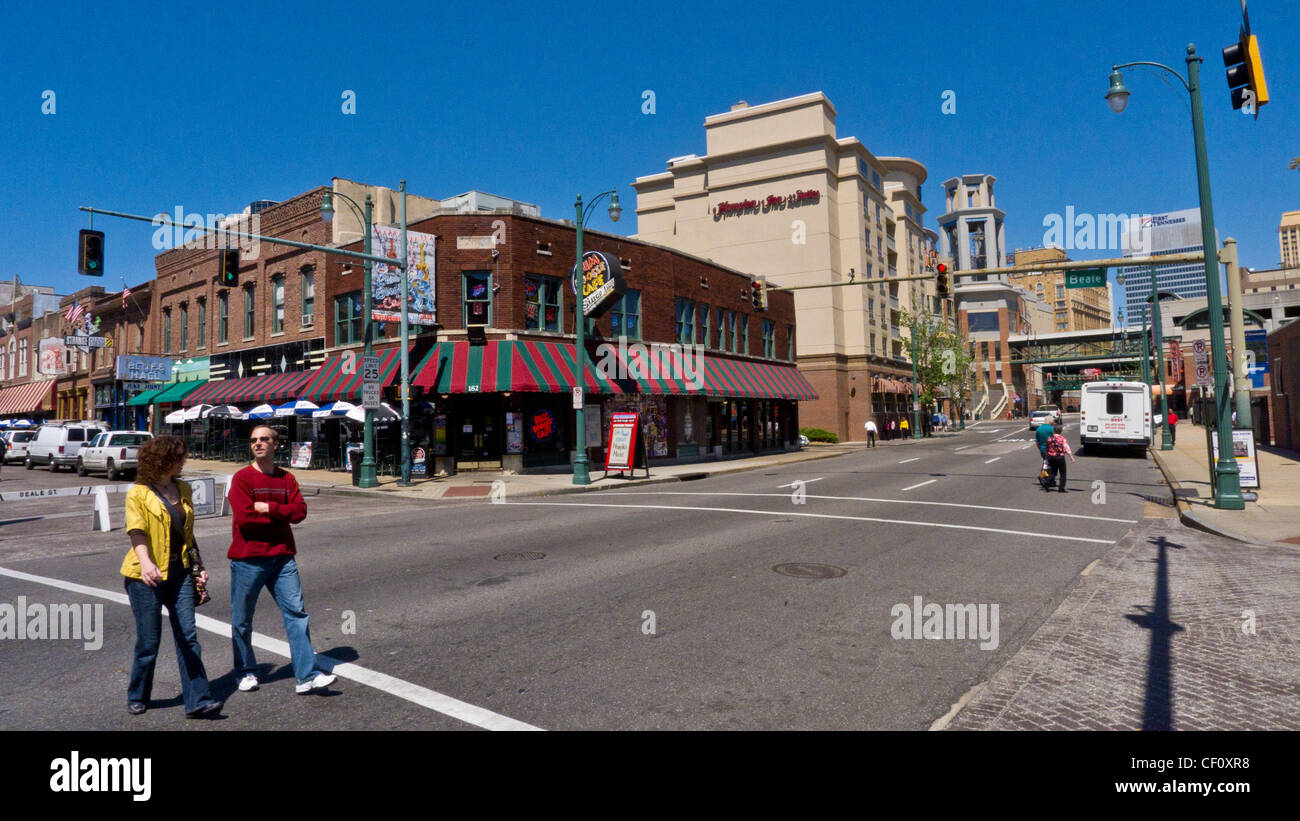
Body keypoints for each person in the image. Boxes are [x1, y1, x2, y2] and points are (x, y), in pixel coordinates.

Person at [228, 424, 336, 695]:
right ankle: (245, 671)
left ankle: (307, 675)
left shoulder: (286, 479)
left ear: (276, 444)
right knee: (242, 619)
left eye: (264, 439)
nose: (258, 444)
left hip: (283, 557)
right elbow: (245, 519)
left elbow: (300, 511)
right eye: (254, 440)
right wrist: (281, 515)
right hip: (248, 559)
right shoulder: (241, 479)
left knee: (296, 614)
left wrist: (270, 508)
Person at [121, 435, 222, 717]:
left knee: (188, 636)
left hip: (180, 574)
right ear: (163, 459)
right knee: (149, 642)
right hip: (146, 576)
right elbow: (136, 531)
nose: (183, 462)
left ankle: (198, 699)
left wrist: (198, 566)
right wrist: (145, 562)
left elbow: (187, 534)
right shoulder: (138, 493)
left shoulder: (184, 488)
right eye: (179, 457)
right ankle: (138, 693)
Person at [1042, 423, 1076, 493]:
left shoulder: (1049, 438)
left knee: (1053, 472)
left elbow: (1047, 448)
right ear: (1061, 431)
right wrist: (1071, 457)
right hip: (1059, 457)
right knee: (1063, 473)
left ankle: (1046, 483)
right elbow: (1067, 448)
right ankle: (1061, 488)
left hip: (1051, 457)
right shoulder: (1062, 438)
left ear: (1053, 431)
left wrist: (1046, 456)